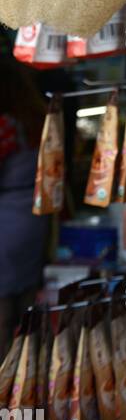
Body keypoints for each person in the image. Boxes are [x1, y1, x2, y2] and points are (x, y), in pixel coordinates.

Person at [0, 60, 48, 358]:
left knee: (3, 308)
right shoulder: (38, 118)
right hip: (34, 216)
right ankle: (23, 373)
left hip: (6, 221)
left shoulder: (5, 125)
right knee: (26, 309)